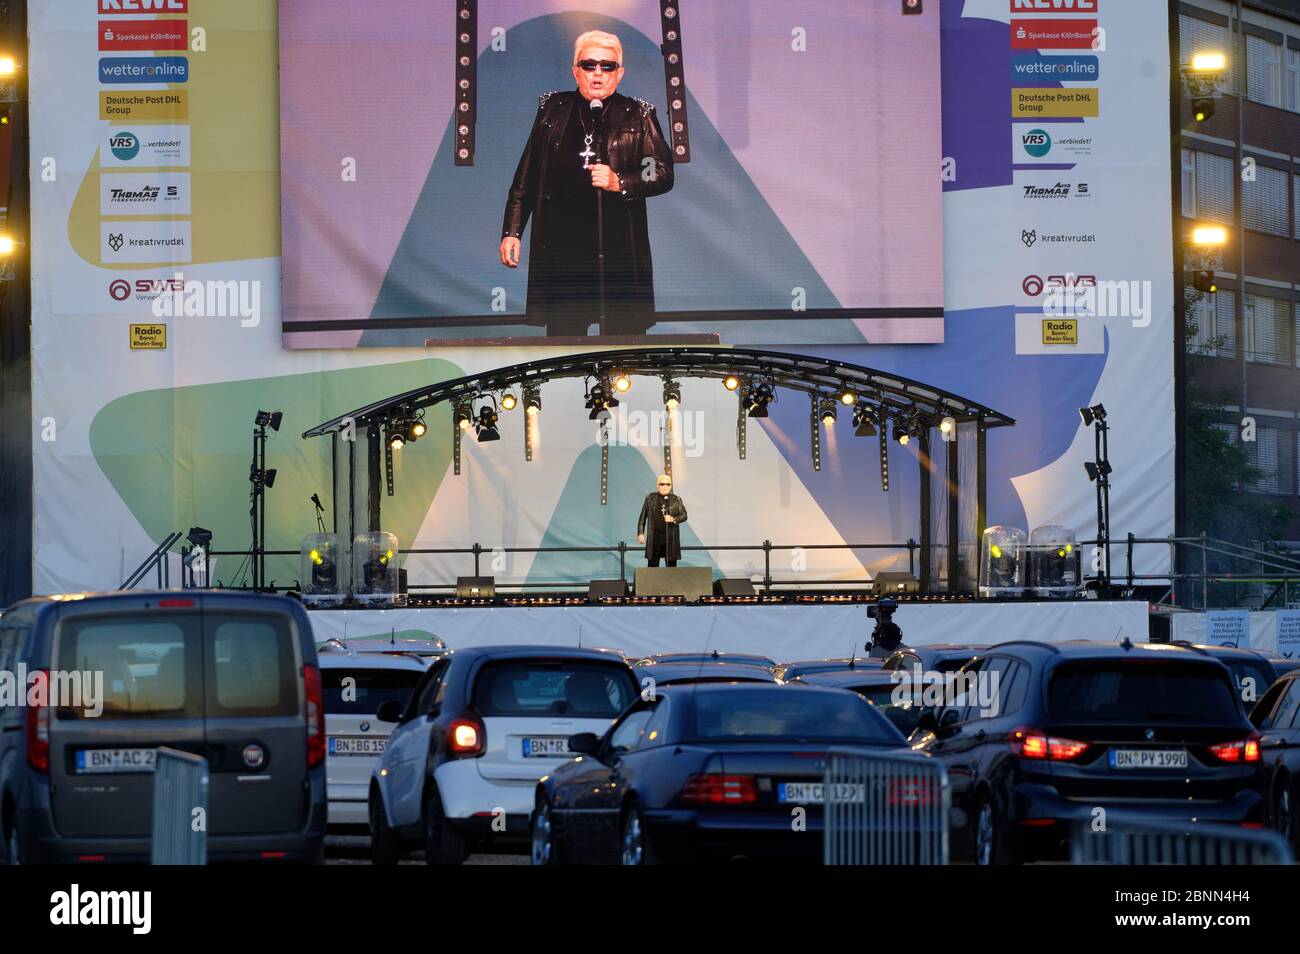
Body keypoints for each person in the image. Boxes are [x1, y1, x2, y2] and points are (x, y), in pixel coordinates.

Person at [500, 30, 674, 338]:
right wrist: (512, 231)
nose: (597, 74)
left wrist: (619, 181)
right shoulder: (552, 110)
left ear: (619, 73)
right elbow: (525, 177)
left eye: (607, 66)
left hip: (618, 248)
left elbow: (660, 173)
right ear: (575, 70)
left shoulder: (638, 114)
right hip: (563, 248)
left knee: (623, 345)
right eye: (589, 65)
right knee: (565, 342)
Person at [637, 474, 687, 567]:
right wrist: (640, 533)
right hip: (654, 538)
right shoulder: (650, 498)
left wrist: (673, 519)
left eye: (668, 484)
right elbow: (642, 517)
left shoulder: (676, 499)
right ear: (657, 485)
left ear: (671, 486)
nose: (665, 486)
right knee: (652, 569)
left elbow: (684, 515)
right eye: (662, 484)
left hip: (670, 538)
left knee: (671, 570)